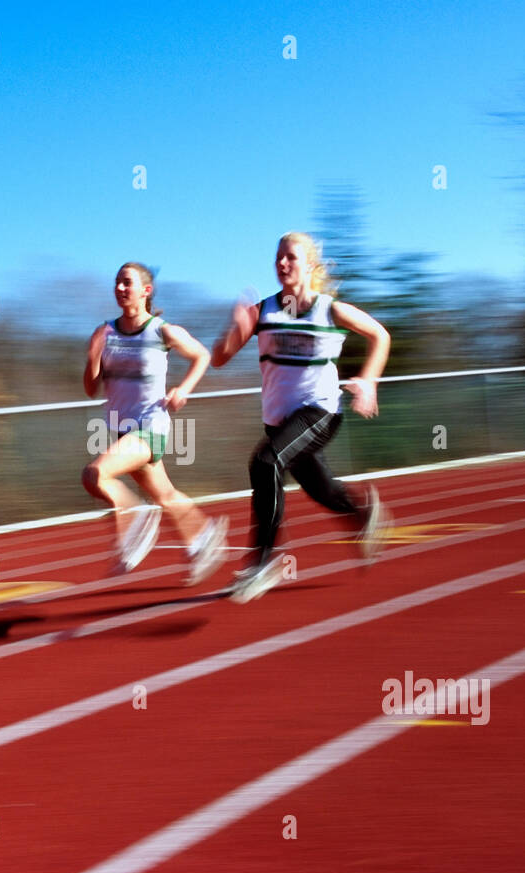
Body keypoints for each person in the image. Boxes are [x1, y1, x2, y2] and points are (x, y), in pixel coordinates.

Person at [211, 231, 393, 603]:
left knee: (265, 462)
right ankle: (361, 514)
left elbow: (379, 334)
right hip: (279, 421)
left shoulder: (329, 309)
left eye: (291, 257)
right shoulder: (262, 311)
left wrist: (369, 381)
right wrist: (234, 327)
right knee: (319, 488)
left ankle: (263, 563)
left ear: (309, 265)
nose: (282, 264)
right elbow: (219, 358)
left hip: (320, 412)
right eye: (278, 257)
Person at [83, 262, 228, 583]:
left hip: (150, 427)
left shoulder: (162, 331)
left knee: (94, 474)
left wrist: (183, 389)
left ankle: (134, 514)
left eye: (127, 282)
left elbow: (201, 355)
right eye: (117, 282)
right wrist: (93, 356)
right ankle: (204, 538)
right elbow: (91, 388)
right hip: (122, 429)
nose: (120, 288)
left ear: (145, 291)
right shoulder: (104, 332)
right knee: (166, 495)